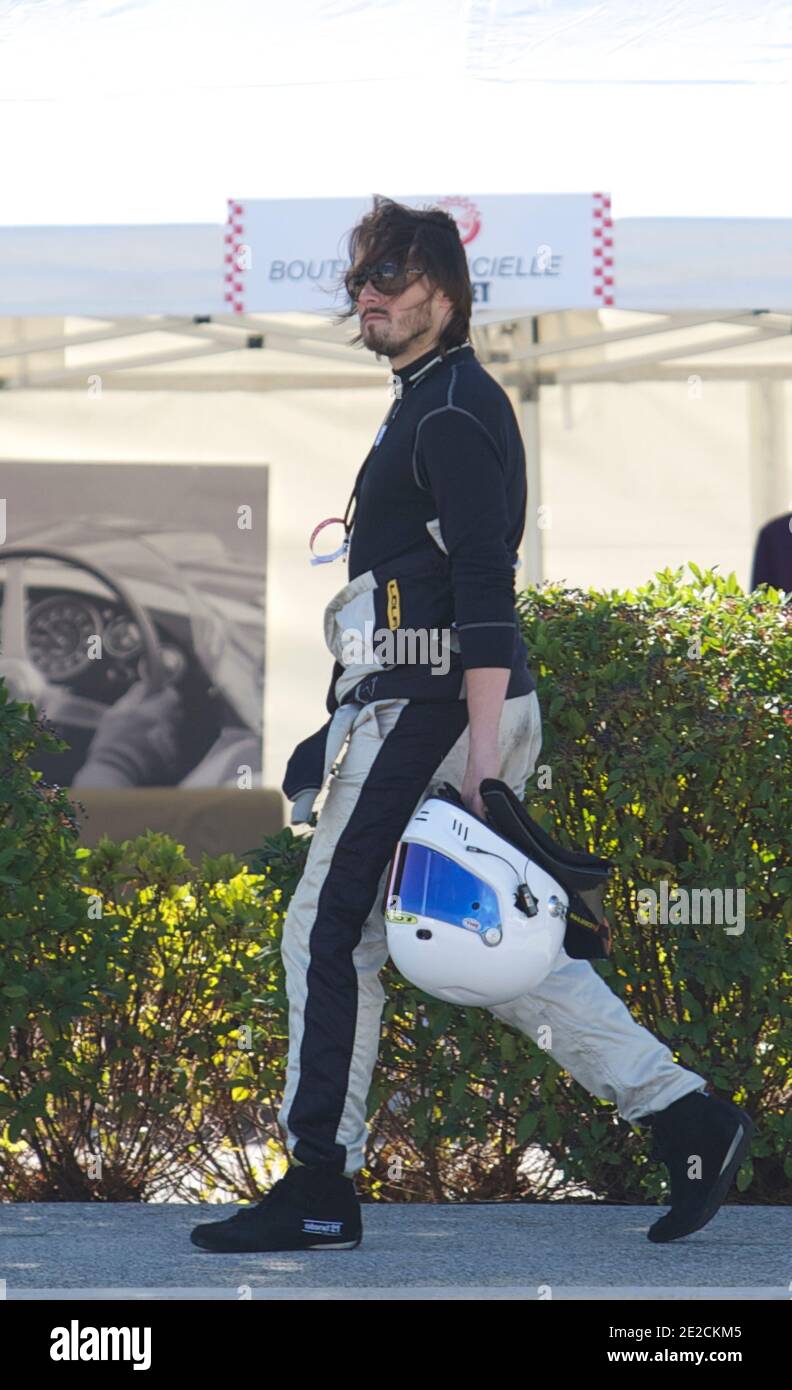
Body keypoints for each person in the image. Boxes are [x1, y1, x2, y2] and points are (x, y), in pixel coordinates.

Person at [191, 196, 753, 1255]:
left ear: (444, 295)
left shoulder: (450, 406)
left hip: (445, 710)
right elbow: (414, 591)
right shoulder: (428, 400)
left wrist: (483, 762)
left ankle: (320, 1181)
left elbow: (486, 584)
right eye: (359, 280)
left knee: (328, 930)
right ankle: (689, 1117)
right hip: (423, 704)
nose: (369, 297)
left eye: (391, 280)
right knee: (497, 948)